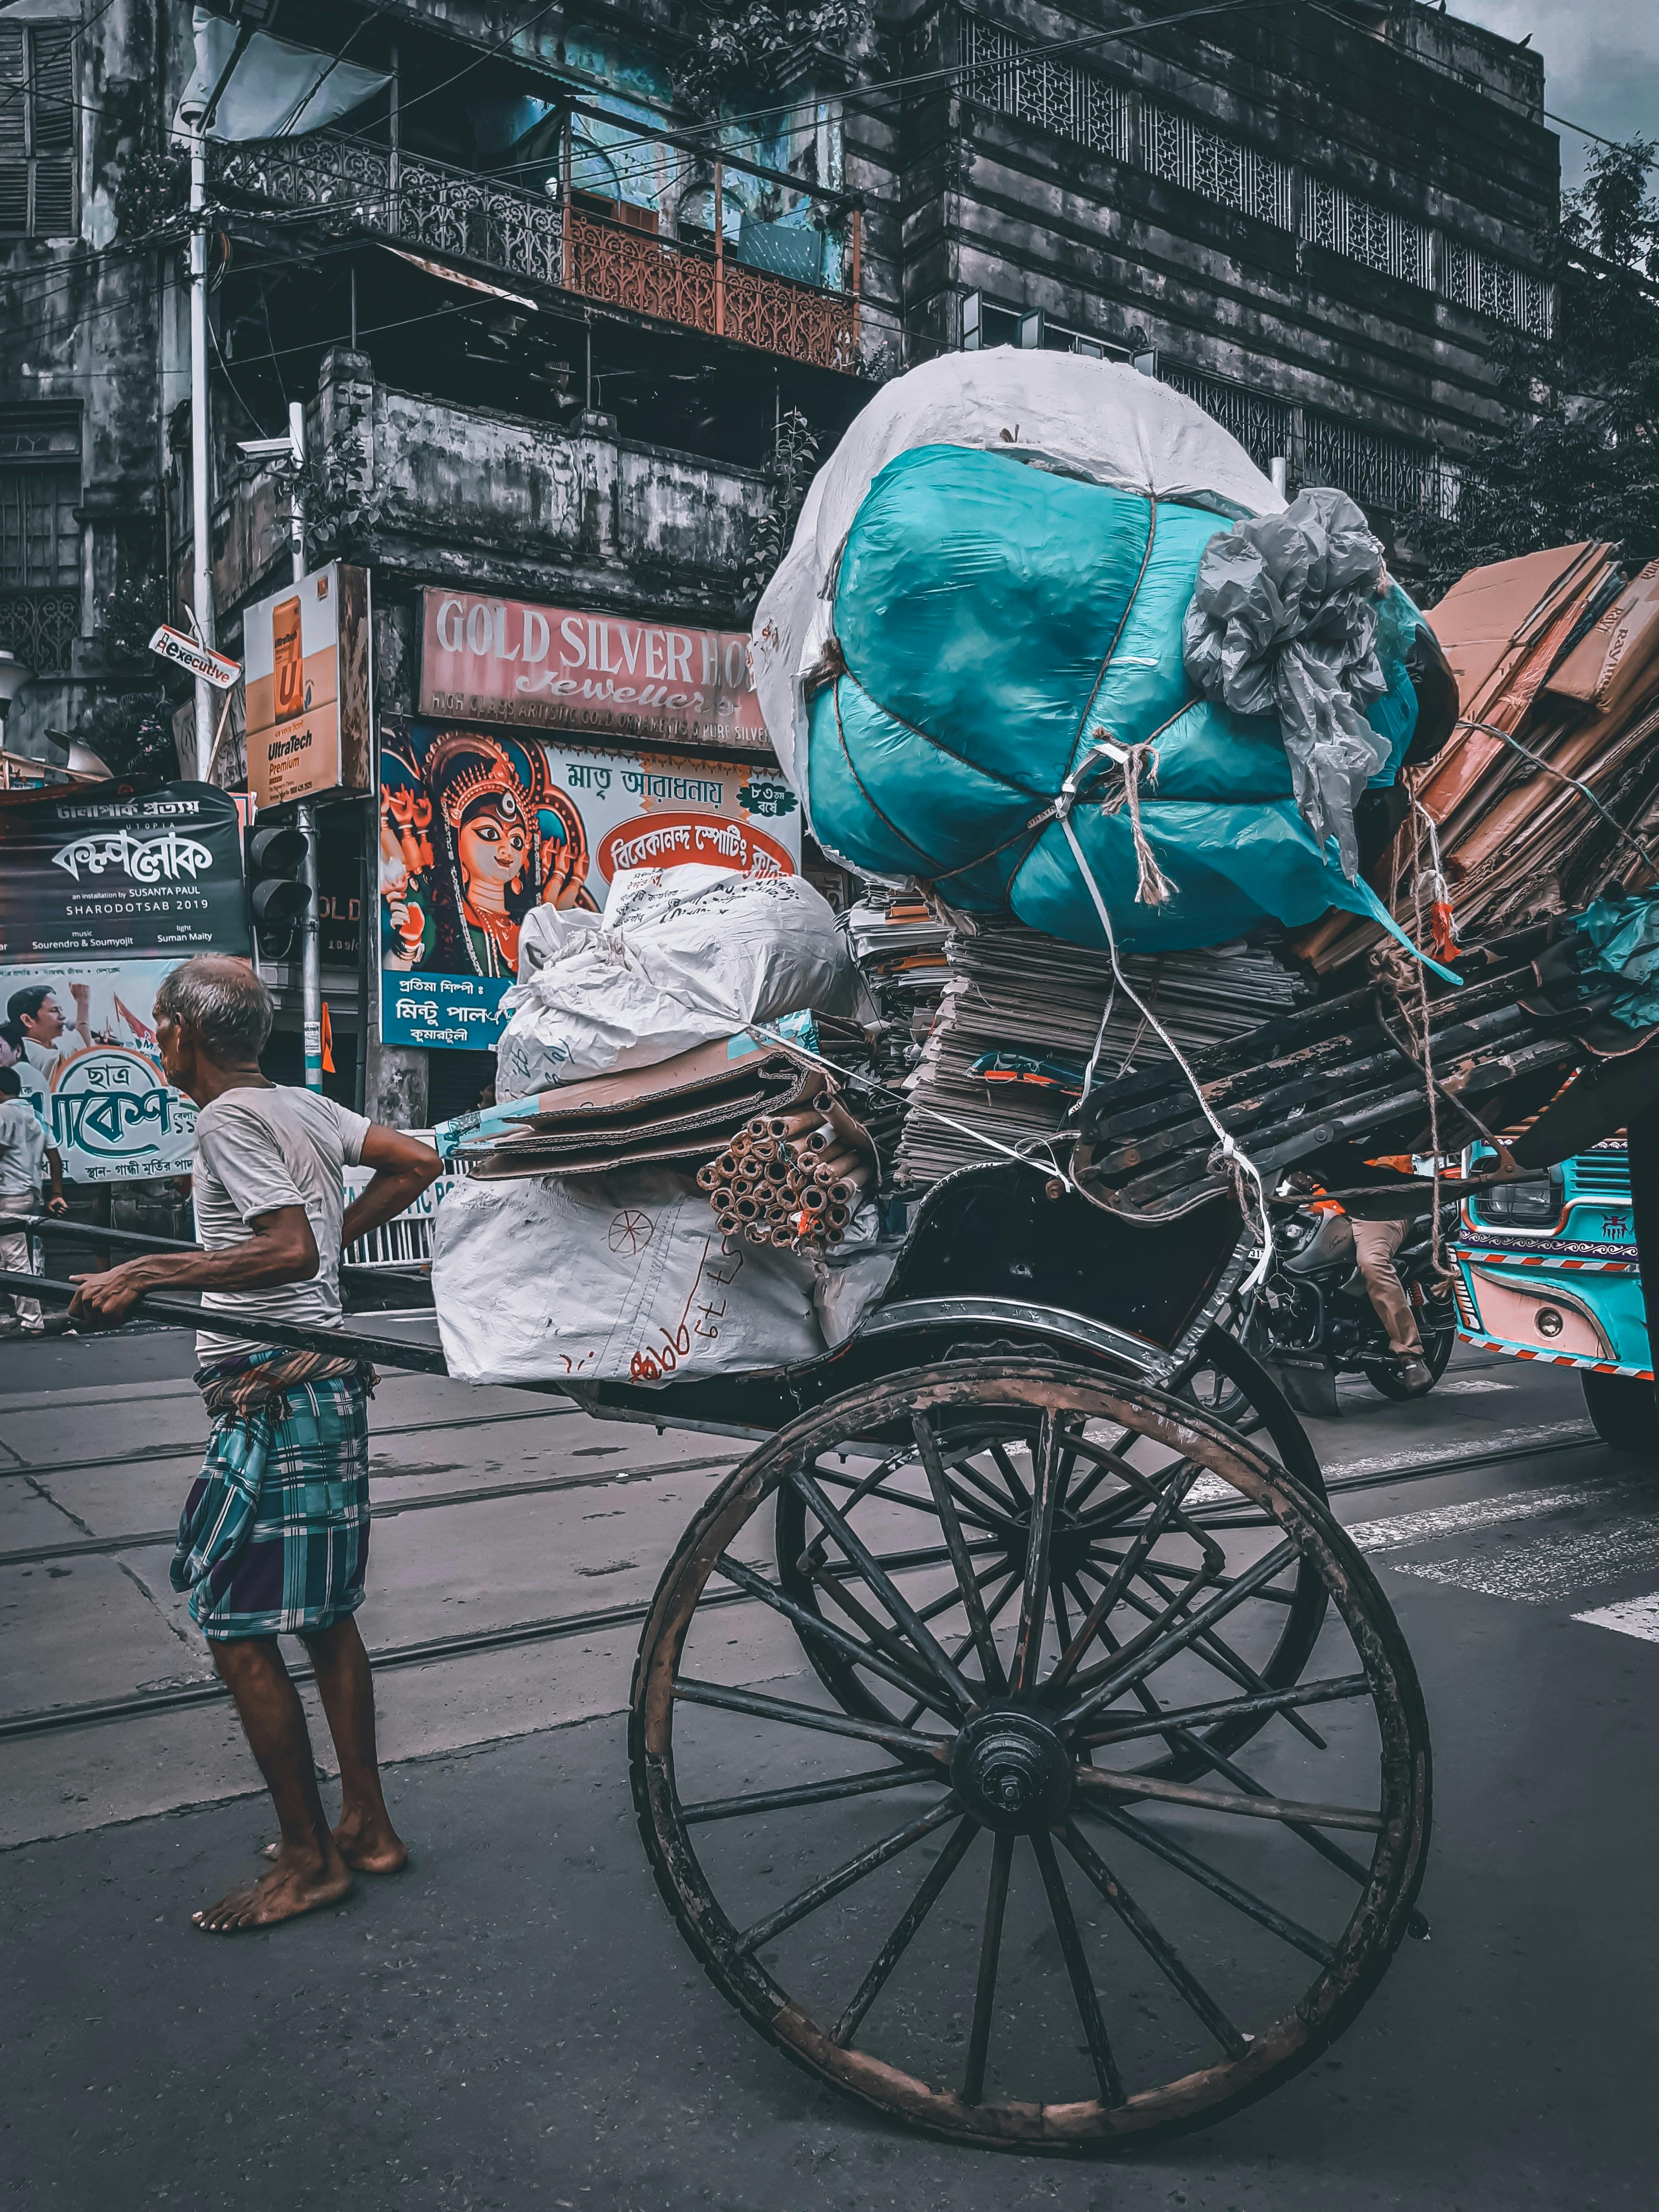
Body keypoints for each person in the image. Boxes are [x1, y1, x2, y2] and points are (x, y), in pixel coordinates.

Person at [69, 954, 443, 1933]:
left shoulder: (227, 1118)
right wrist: (333, 1230)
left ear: (183, 1034)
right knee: (324, 1618)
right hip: (320, 1391)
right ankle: (366, 1825)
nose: (157, 1043)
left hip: (273, 1399)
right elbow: (416, 1163)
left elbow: (287, 1247)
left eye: (159, 1027)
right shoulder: (307, 1109)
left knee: (236, 1630)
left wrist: (153, 1269)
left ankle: (312, 1861)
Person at [0, 1065, 68, 1335]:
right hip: (28, 1193)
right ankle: (21, 1314)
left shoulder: (5, 1112)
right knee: (7, 1259)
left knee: (15, 1259)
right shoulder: (35, 1115)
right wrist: (57, 1194)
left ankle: (32, 1321)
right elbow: (54, 1158)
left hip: (8, 1194)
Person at [7, 982, 91, 1081]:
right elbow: (83, 1055)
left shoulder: (44, 1042)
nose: (62, 1016)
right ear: (28, 1020)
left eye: (61, 1009)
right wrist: (83, 1003)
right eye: (54, 1010)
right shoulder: (30, 1052)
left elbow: (80, 1043)